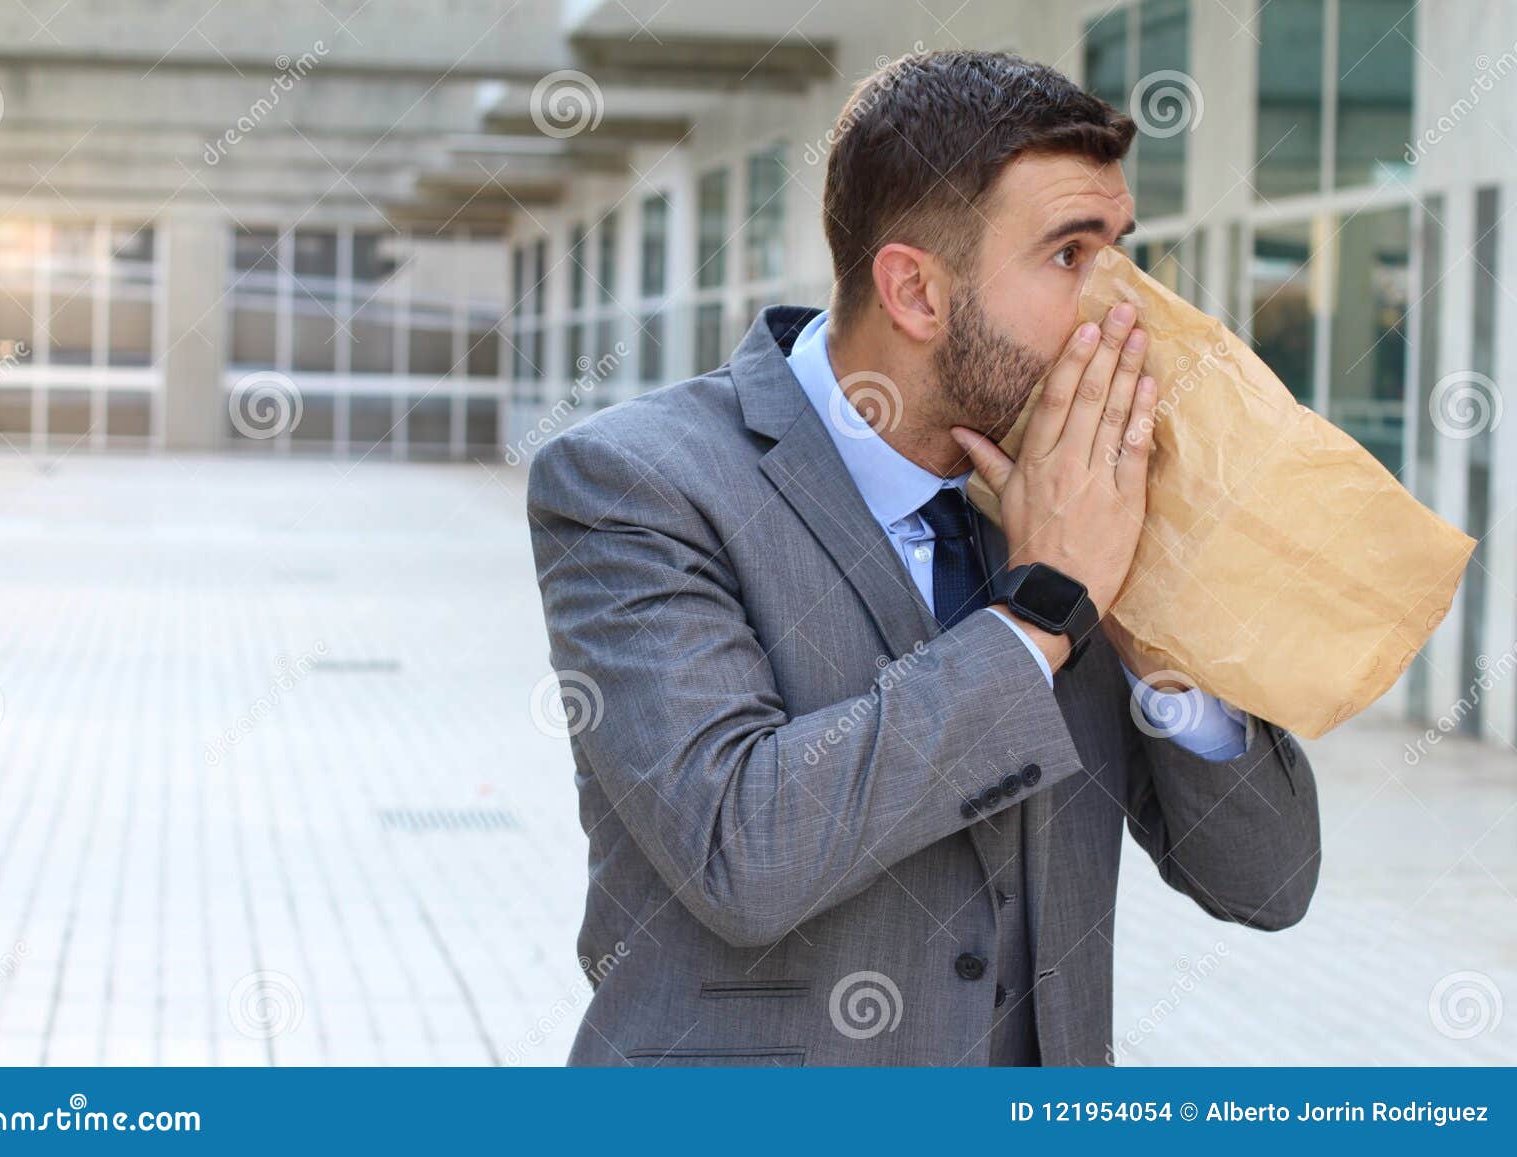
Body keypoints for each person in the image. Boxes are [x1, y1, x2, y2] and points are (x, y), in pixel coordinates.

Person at [526, 49, 1319, 1067]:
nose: (1123, 310)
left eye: (1126, 252)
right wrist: (1040, 612)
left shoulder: (1083, 504)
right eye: (1072, 255)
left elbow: (1265, 882)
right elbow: (739, 848)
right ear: (915, 293)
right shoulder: (634, 483)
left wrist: (1140, 621)